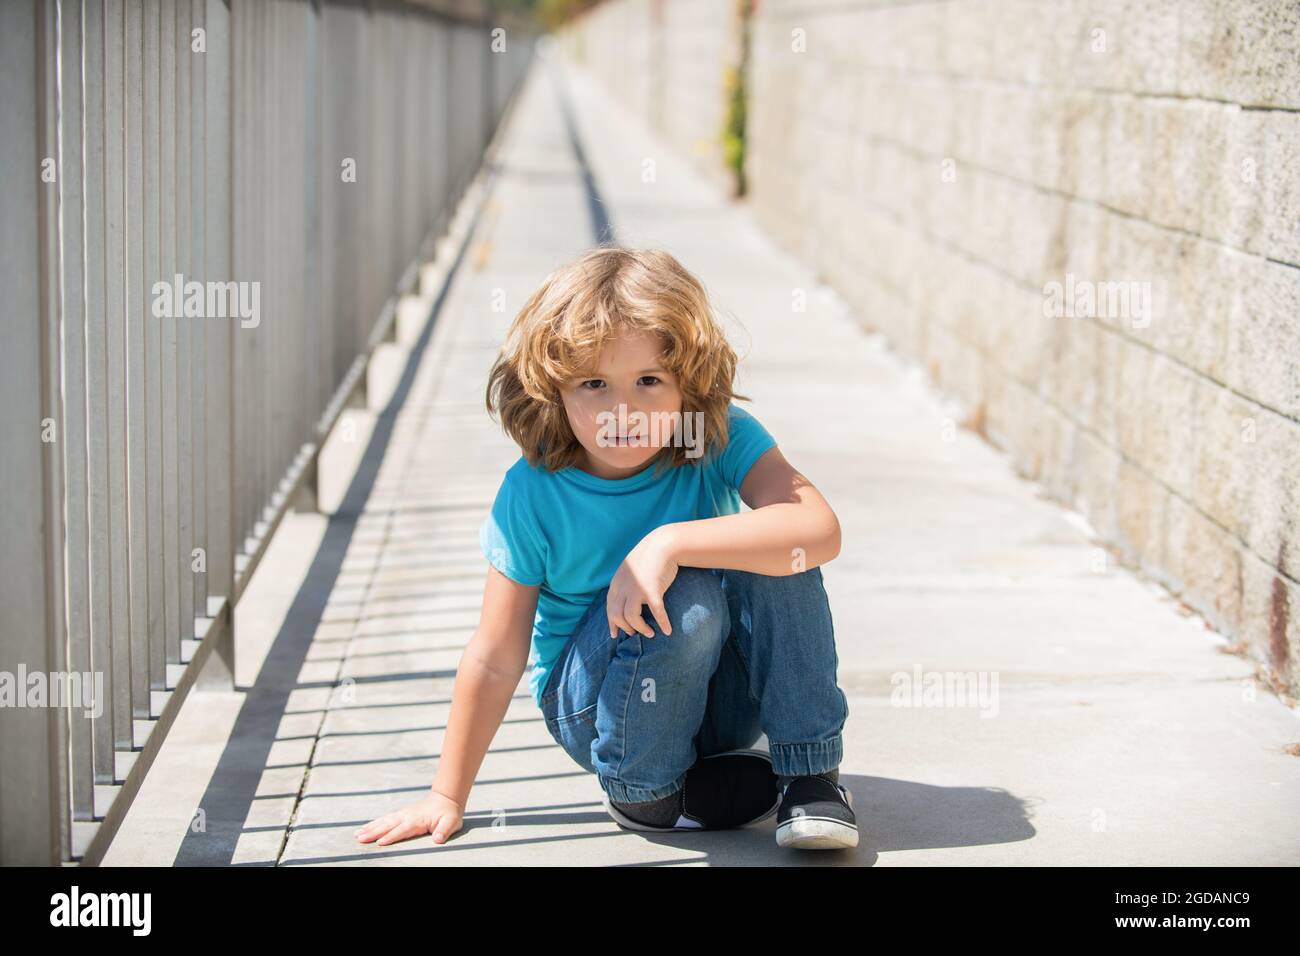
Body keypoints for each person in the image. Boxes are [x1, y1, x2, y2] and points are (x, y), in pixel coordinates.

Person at [355, 246, 855, 852]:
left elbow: (819, 529)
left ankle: (809, 777)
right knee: (689, 592)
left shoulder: (715, 438)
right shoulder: (534, 492)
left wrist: (667, 541)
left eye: (649, 380)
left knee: (781, 547)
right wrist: (446, 795)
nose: (625, 409)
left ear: (688, 383)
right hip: (596, 707)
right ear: (553, 391)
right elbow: (494, 653)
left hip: (717, 694)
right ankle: (644, 791)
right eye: (595, 384)